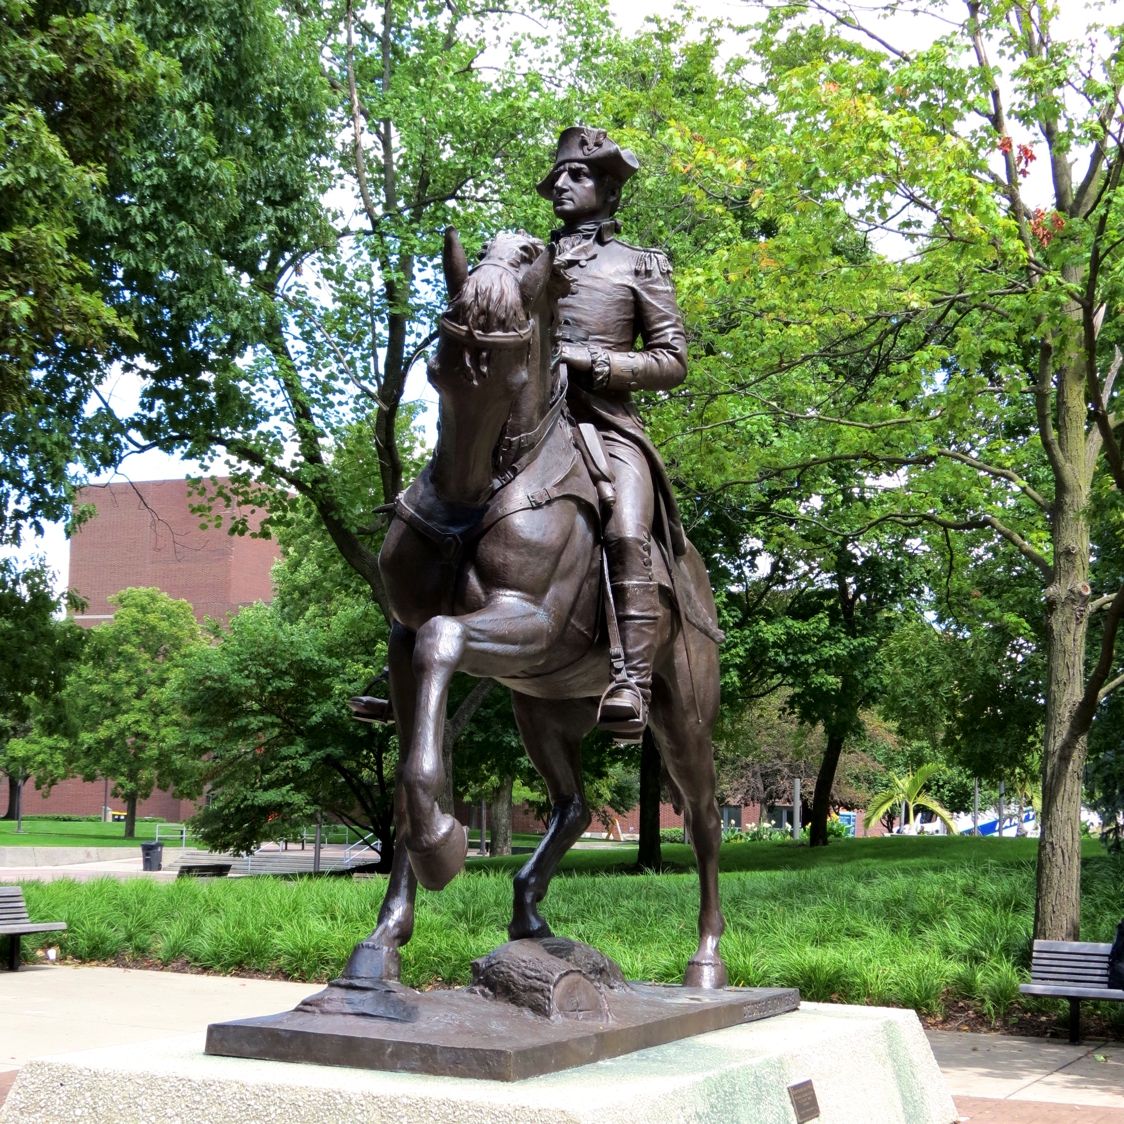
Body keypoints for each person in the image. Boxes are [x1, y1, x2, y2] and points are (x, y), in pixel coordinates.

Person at [538, 126, 689, 741]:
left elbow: (672, 361)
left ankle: (632, 681)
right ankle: (406, 648)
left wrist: (593, 360)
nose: (562, 185)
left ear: (608, 190)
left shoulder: (639, 264)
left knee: (627, 530)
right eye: (558, 176)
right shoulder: (527, 259)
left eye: (577, 175)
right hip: (528, 421)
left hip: (605, 425)